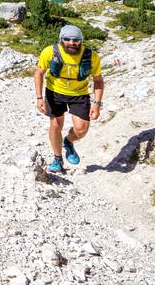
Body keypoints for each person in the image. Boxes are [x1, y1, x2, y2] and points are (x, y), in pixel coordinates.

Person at [33, 24, 104, 173]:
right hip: (55, 92)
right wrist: (39, 97)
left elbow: (98, 80)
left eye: (76, 40)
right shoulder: (50, 52)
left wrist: (97, 104)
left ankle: (68, 141)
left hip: (79, 93)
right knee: (55, 125)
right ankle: (57, 159)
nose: (72, 43)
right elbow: (39, 73)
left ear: (81, 40)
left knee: (82, 129)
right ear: (61, 40)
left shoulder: (91, 56)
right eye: (67, 39)